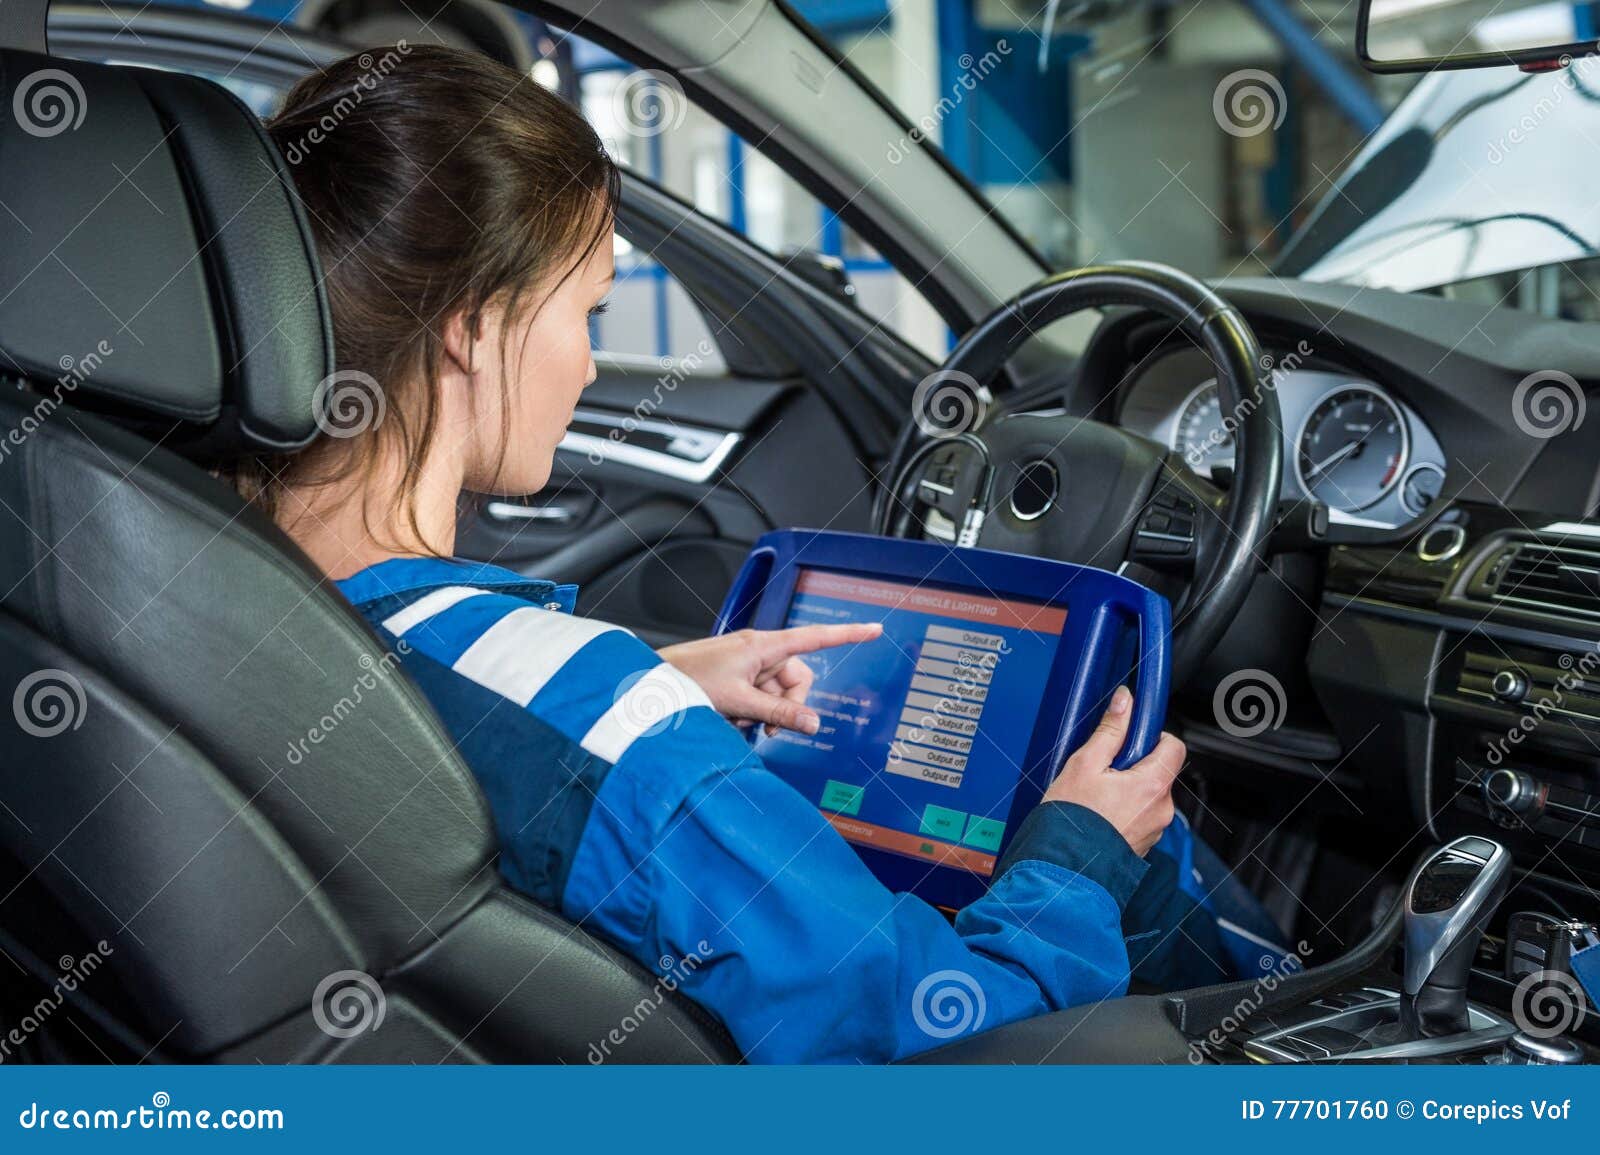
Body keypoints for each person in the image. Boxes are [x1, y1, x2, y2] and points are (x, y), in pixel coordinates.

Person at [230, 46, 1288, 1063]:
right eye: (587, 311)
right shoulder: (613, 738)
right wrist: (1081, 856)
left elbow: (475, 720)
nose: (590, 367)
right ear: (476, 326)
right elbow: (936, 1040)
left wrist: (644, 686)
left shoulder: (220, 592)